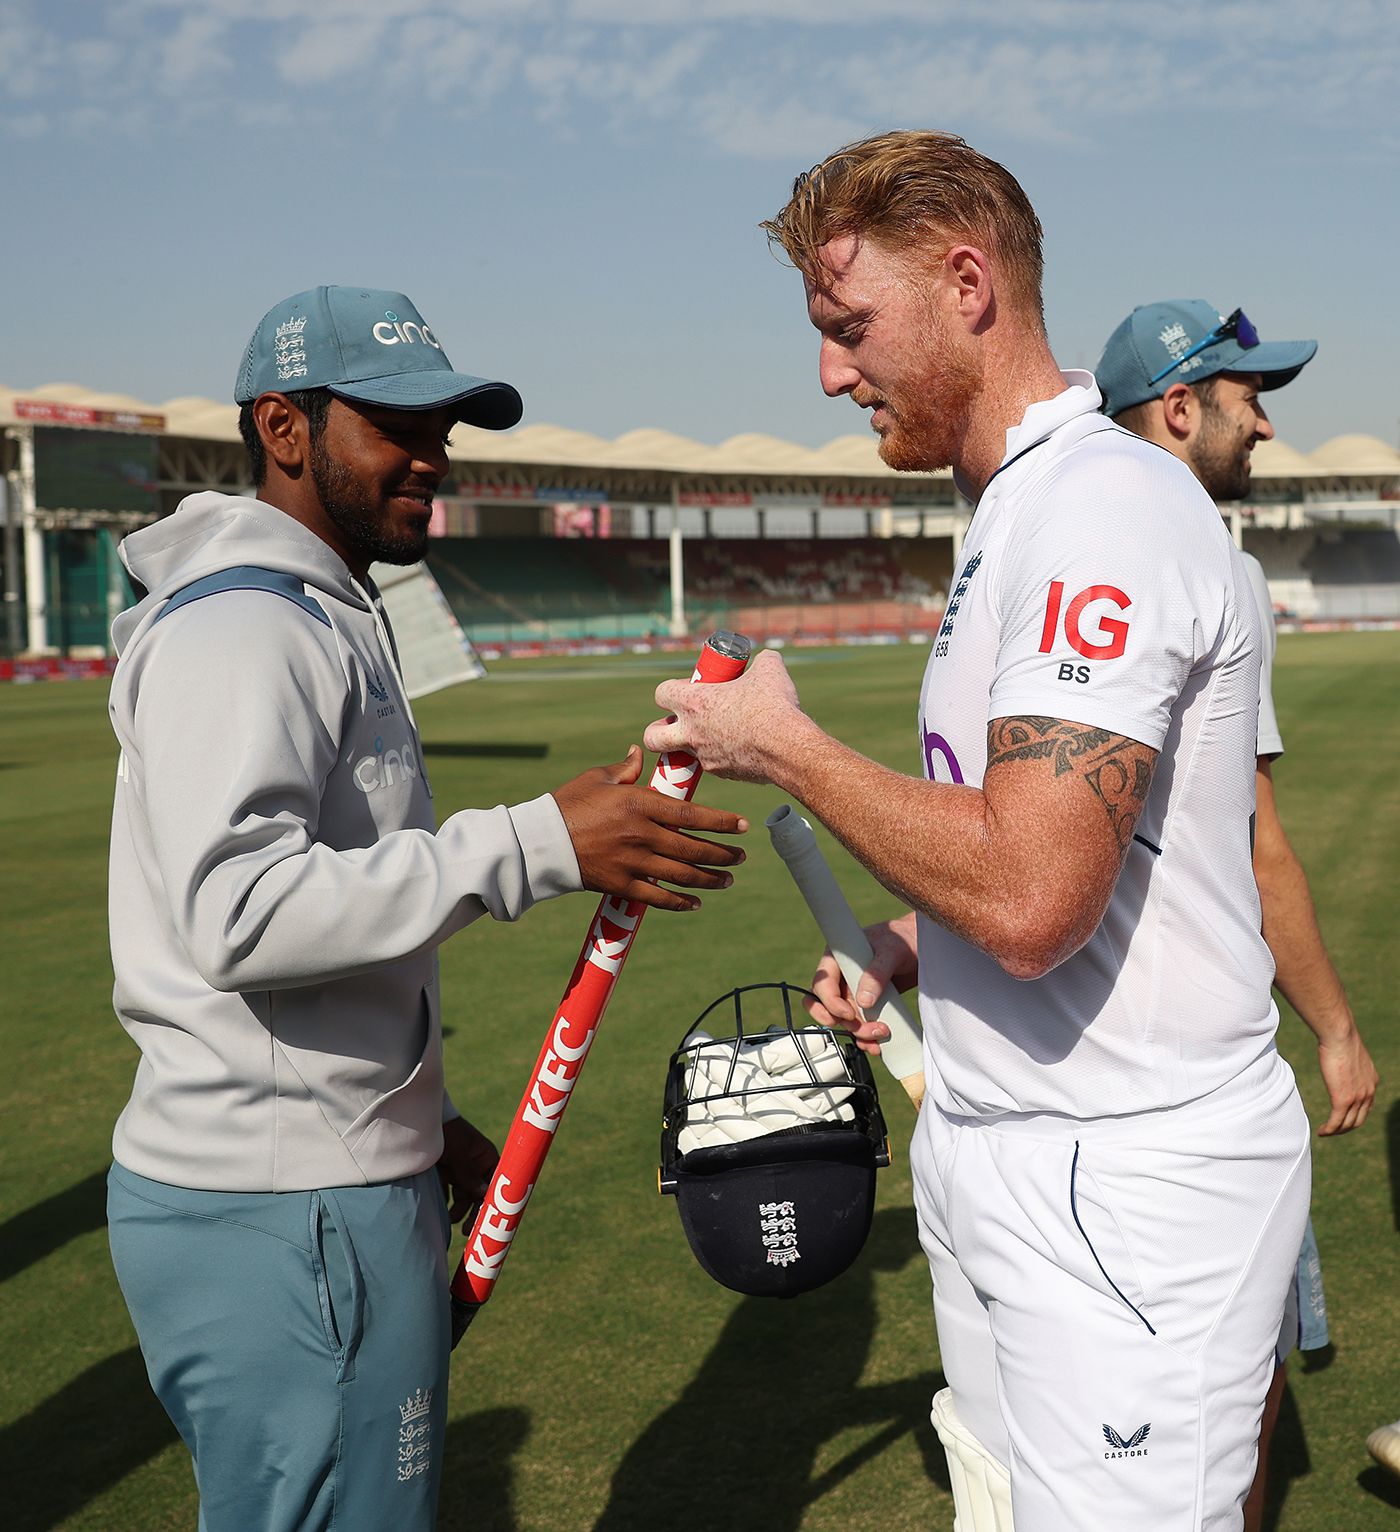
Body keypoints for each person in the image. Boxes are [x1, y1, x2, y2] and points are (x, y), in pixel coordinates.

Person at [644, 132, 1311, 1531]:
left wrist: (784, 748)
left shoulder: (1096, 513)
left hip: (1127, 1179)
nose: (830, 372)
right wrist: (902, 940)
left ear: (965, 281)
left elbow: (1030, 895)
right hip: (1014, 1147)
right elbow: (1070, 859)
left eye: (848, 326)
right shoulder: (1013, 512)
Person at [104, 285, 748, 1532]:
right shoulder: (245, 623)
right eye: (394, 422)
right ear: (283, 428)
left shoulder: (315, 611)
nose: (430, 454)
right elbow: (238, 912)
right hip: (283, 1212)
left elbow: (321, 919)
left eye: (442, 425)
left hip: (321, 1182)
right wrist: (540, 840)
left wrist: (417, 1115)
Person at [1096, 300, 1379, 1528]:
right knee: (1229, 1399)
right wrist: (1331, 1023)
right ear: (1177, 407)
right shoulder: (1221, 569)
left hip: (1068, 1075)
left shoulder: (1032, 552)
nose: (1262, 421)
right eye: (1244, 397)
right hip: (1192, 1074)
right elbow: (1254, 844)